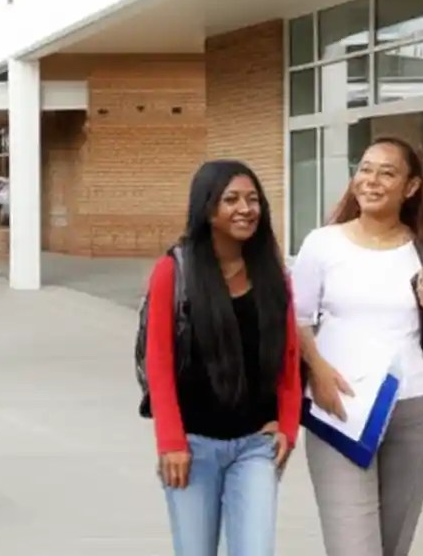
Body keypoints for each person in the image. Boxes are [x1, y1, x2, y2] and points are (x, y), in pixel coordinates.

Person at [292, 136, 423, 556]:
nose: (371, 181)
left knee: (392, 547)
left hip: (413, 410)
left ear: (410, 187)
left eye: (387, 172)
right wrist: (318, 371)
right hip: (340, 403)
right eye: (365, 169)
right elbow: (297, 319)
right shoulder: (323, 242)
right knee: (353, 546)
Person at [144, 159, 302, 556]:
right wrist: (171, 442)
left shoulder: (272, 274)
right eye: (231, 199)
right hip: (192, 447)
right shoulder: (173, 272)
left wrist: (288, 425)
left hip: (255, 446)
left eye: (252, 199)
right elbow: (158, 362)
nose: (245, 208)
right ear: (207, 208)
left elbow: (287, 358)